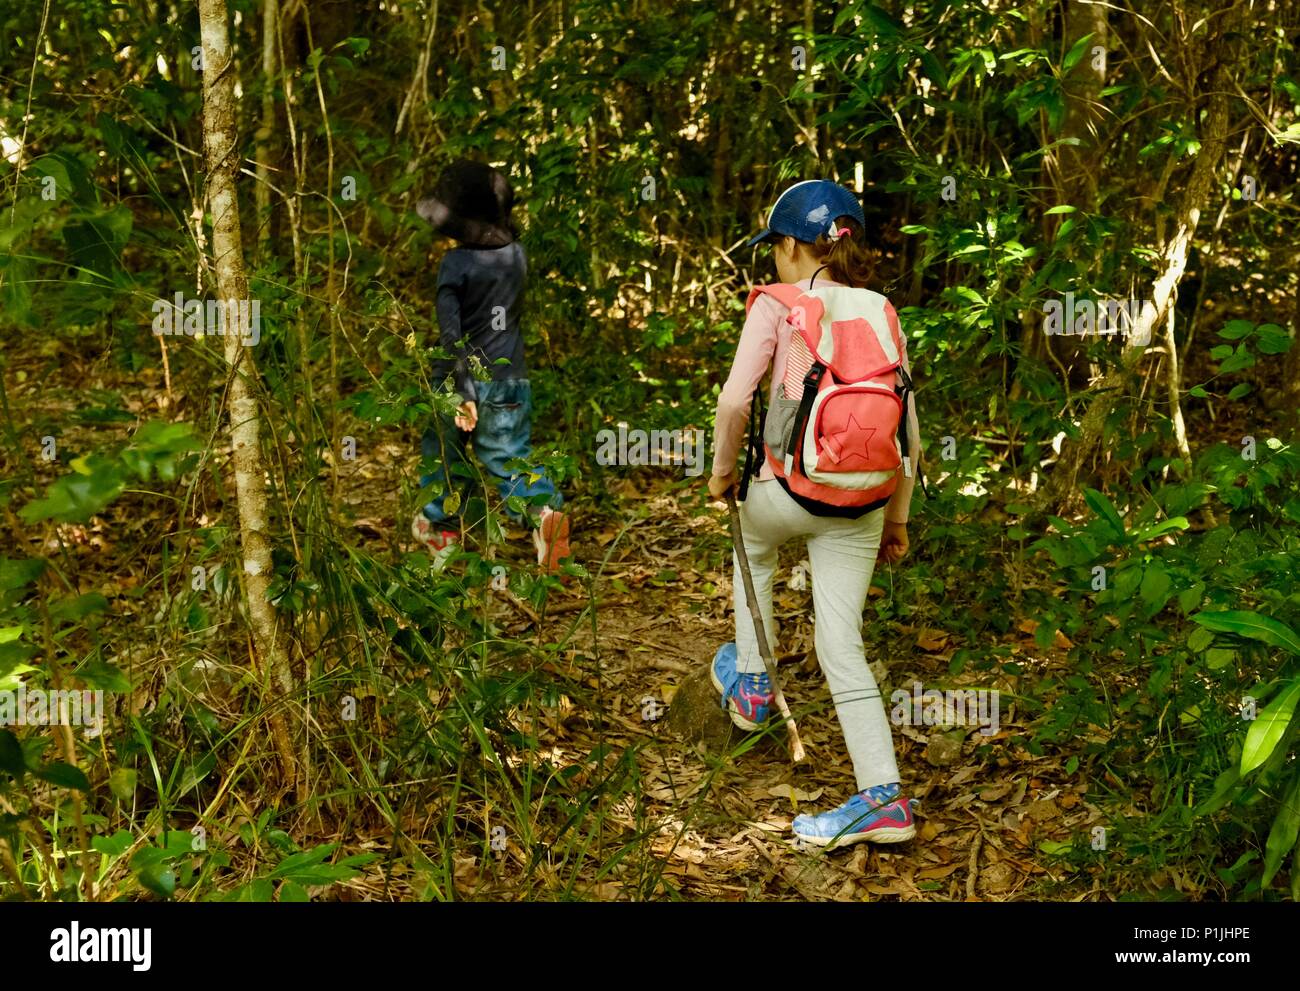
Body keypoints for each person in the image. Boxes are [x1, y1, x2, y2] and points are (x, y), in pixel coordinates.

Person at [708, 179, 921, 848]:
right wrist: (898, 518)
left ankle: (750, 684)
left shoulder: (776, 304)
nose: (773, 259)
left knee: (753, 539)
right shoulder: (882, 309)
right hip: (865, 499)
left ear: (798, 246)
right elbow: (910, 425)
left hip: (791, 491)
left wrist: (721, 477)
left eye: (775, 246)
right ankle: (883, 798)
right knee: (841, 642)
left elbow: (735, 403)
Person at [411, 160, 570, 572]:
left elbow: (452, 334)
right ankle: (542, 514)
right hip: (511, 380)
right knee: (507, 455)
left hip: (458, 381)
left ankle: (439, 526)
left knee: (443, 453)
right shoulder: (516, 256)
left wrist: (464, 391)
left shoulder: (455, 265)